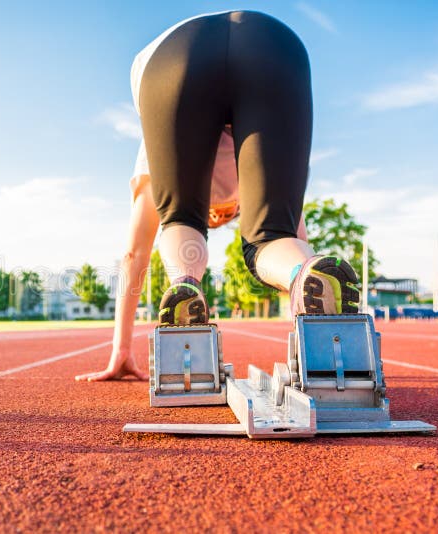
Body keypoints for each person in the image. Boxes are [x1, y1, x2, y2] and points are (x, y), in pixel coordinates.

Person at [75, 10, 359, 382]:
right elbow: (298, 242)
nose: (215, 218)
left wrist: (121, 350)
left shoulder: (158, 157)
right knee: (273, 239)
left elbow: (134, 253)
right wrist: (302, 283)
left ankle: (184, 282)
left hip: (175, 55)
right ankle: (279, 275)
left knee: (180, 221)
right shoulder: (256, 181)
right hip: (274, 43)